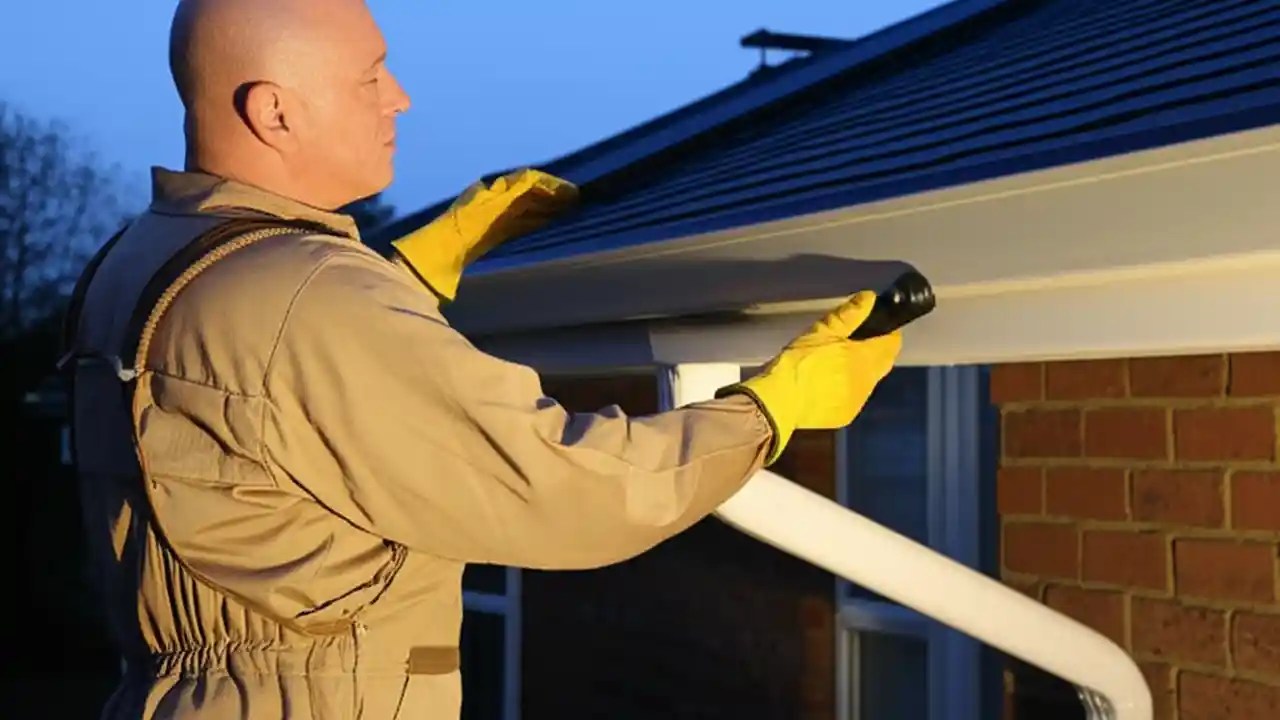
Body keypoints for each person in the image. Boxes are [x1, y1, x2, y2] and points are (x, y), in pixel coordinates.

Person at [60, 0, 903, 718]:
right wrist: (770, 409)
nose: (400, 98)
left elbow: (264, 416)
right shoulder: (309, 299)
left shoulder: (142, 262)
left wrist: (407, 278)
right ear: (275, 111)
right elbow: (567, 486)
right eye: (369, 77)